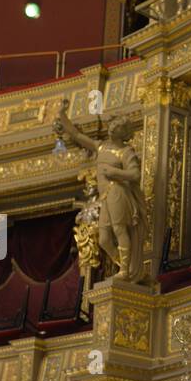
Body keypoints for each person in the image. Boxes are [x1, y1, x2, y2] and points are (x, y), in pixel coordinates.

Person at [55, 102, 147, 282]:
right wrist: (62, 114)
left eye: (117, 126)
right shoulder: (102, 147)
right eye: (112, 124)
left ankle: (125, 272)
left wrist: (116, 173)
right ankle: (126, 266)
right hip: (105, 197)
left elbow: (135, 174)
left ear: (124, 132)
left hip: (117, 192)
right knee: (104, 239)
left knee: (119, 230)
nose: (112, 128)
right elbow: (76, 135)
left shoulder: (125, 152)